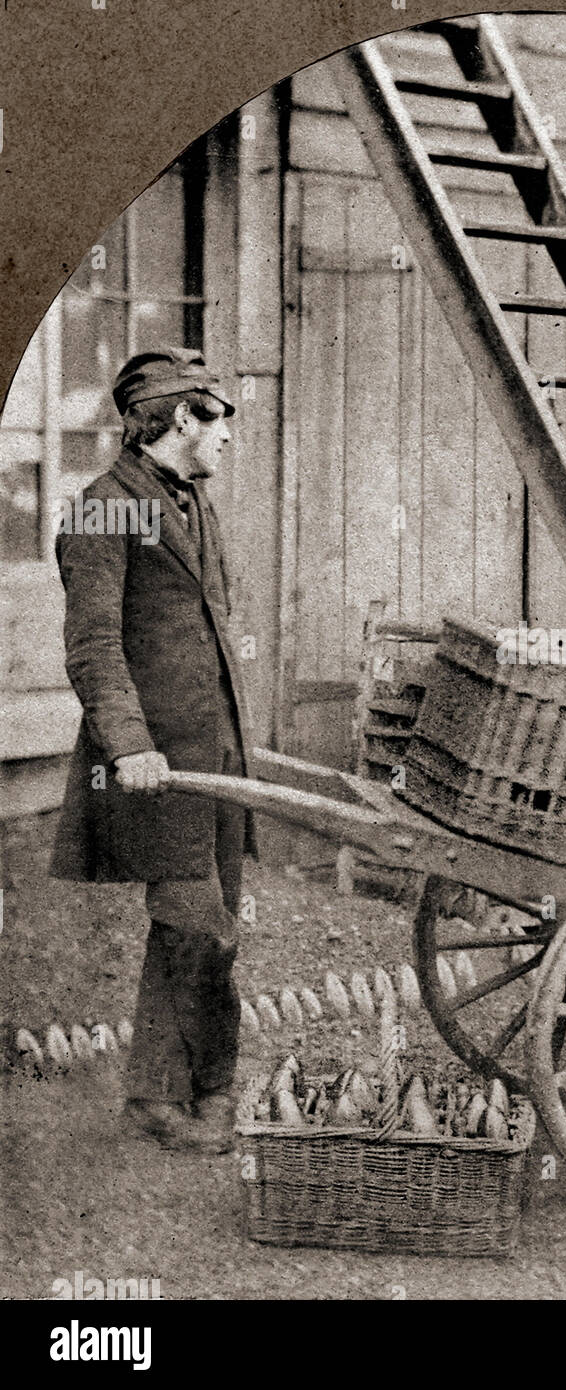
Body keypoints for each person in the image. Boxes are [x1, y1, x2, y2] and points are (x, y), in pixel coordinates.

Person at [50, 348, 254, 1154]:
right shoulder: (108, 507)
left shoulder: (193, 502)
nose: (227, 438)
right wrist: (130, 745)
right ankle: (209, 1093)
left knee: (200, 923)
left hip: (218, 754)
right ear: (175, 420)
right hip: (157, 763)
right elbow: (94, 647)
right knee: (197, 925)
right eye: (217, 421)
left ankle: (155, 1090)